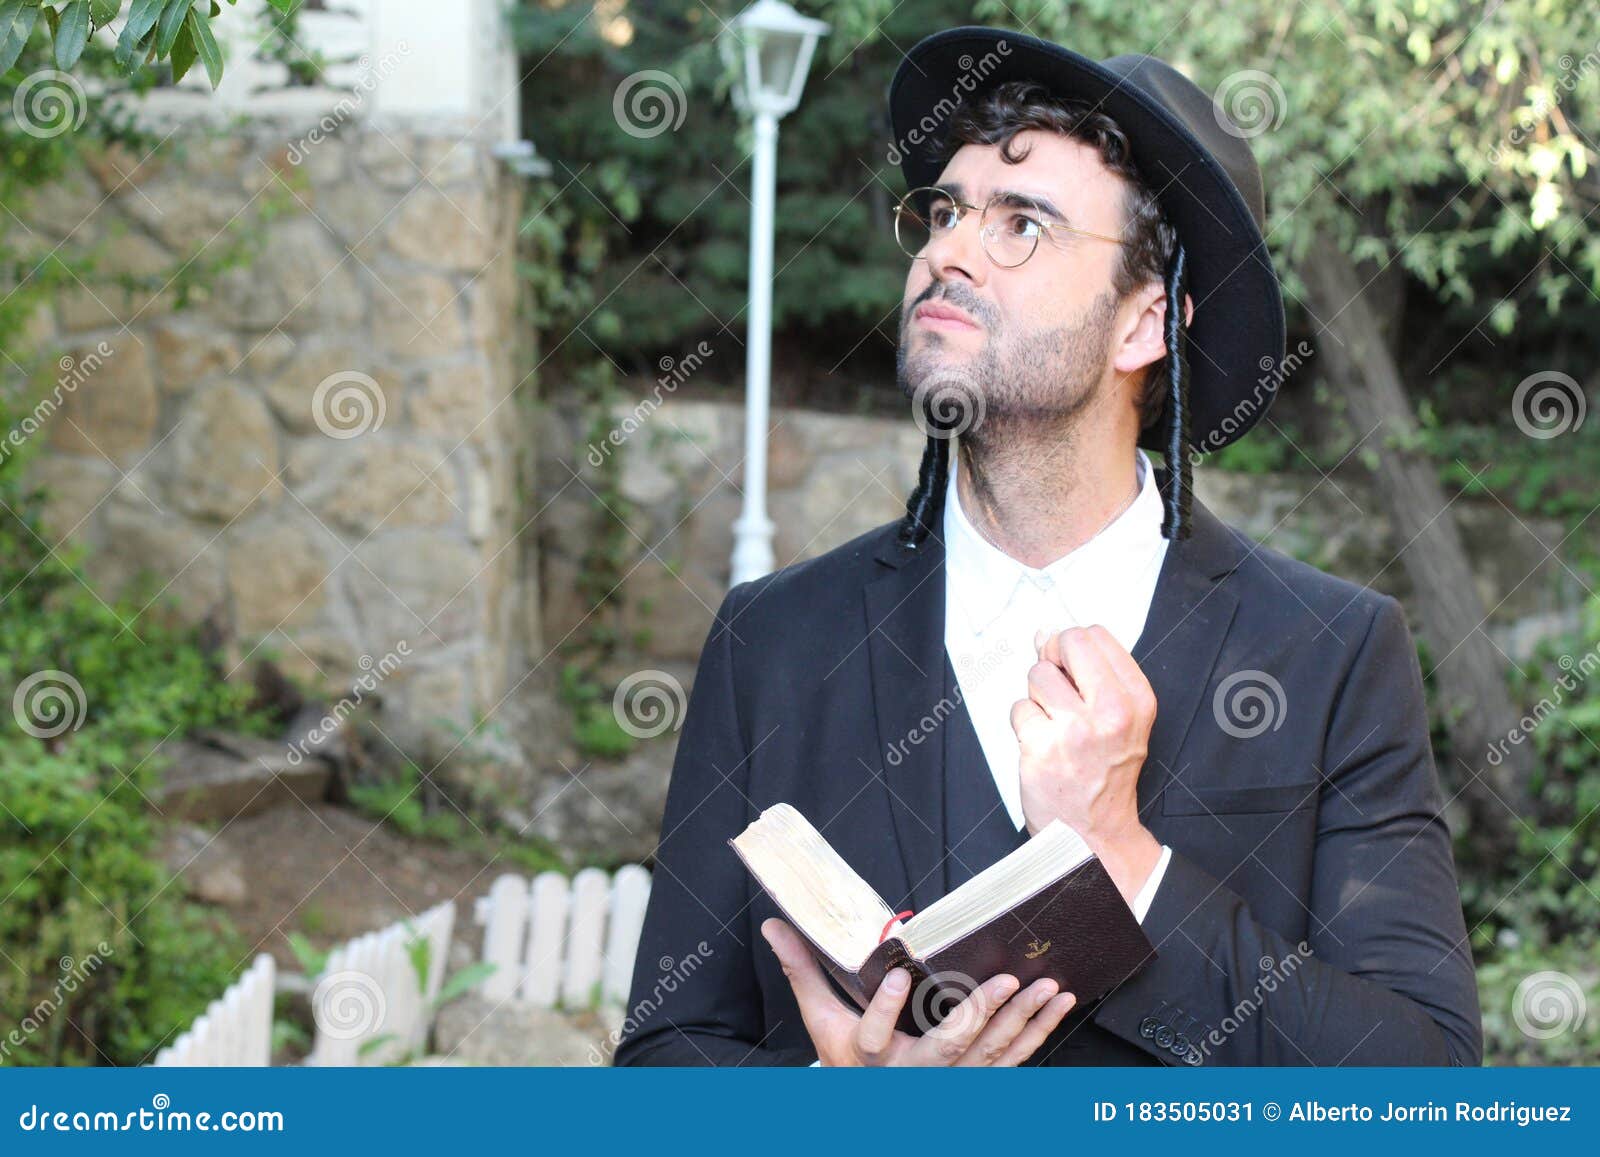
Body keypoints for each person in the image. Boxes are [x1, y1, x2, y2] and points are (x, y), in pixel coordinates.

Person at [613, 26, 1482, 1067]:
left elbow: (1419, 1079)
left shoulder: (1330, 652)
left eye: (1022, 222)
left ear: (1144, 325)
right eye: (945, 210)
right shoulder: (774, 640)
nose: (949, 249)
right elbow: (664, 1053)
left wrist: (1123, 857)